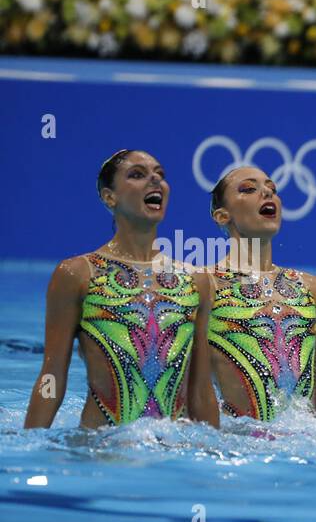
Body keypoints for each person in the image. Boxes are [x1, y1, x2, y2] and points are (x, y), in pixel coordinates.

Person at [24, 149, 218, 429]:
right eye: (137, 175)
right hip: (100, 449)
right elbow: (52, 375)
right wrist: (32, 442)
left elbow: (201, 388)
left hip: (174, 452)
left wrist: (211, 453)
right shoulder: (78, 273)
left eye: (160, 175)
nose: (155, 181)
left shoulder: (194, 279)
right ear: (109, 197)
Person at [205, 166, 316, 421]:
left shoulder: (309, 287)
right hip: (237, 442)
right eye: (249, 189)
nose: (267, 192)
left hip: (301, 442)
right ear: (222, 216)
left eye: (272, 189)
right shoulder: (207, 284)